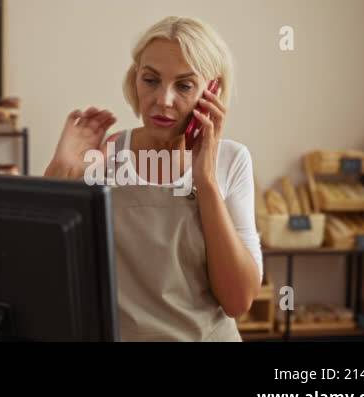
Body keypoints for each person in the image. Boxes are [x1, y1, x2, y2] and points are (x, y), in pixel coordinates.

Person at [45, 16, 262, 341]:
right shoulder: (101, 156)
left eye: (185, 85)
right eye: (150, 80)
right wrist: (61, 173)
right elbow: (43, 277)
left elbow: (238, 300)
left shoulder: (231, 160)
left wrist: (205, 181)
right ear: (135, 80)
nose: (163, 99)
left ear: (212, 92)